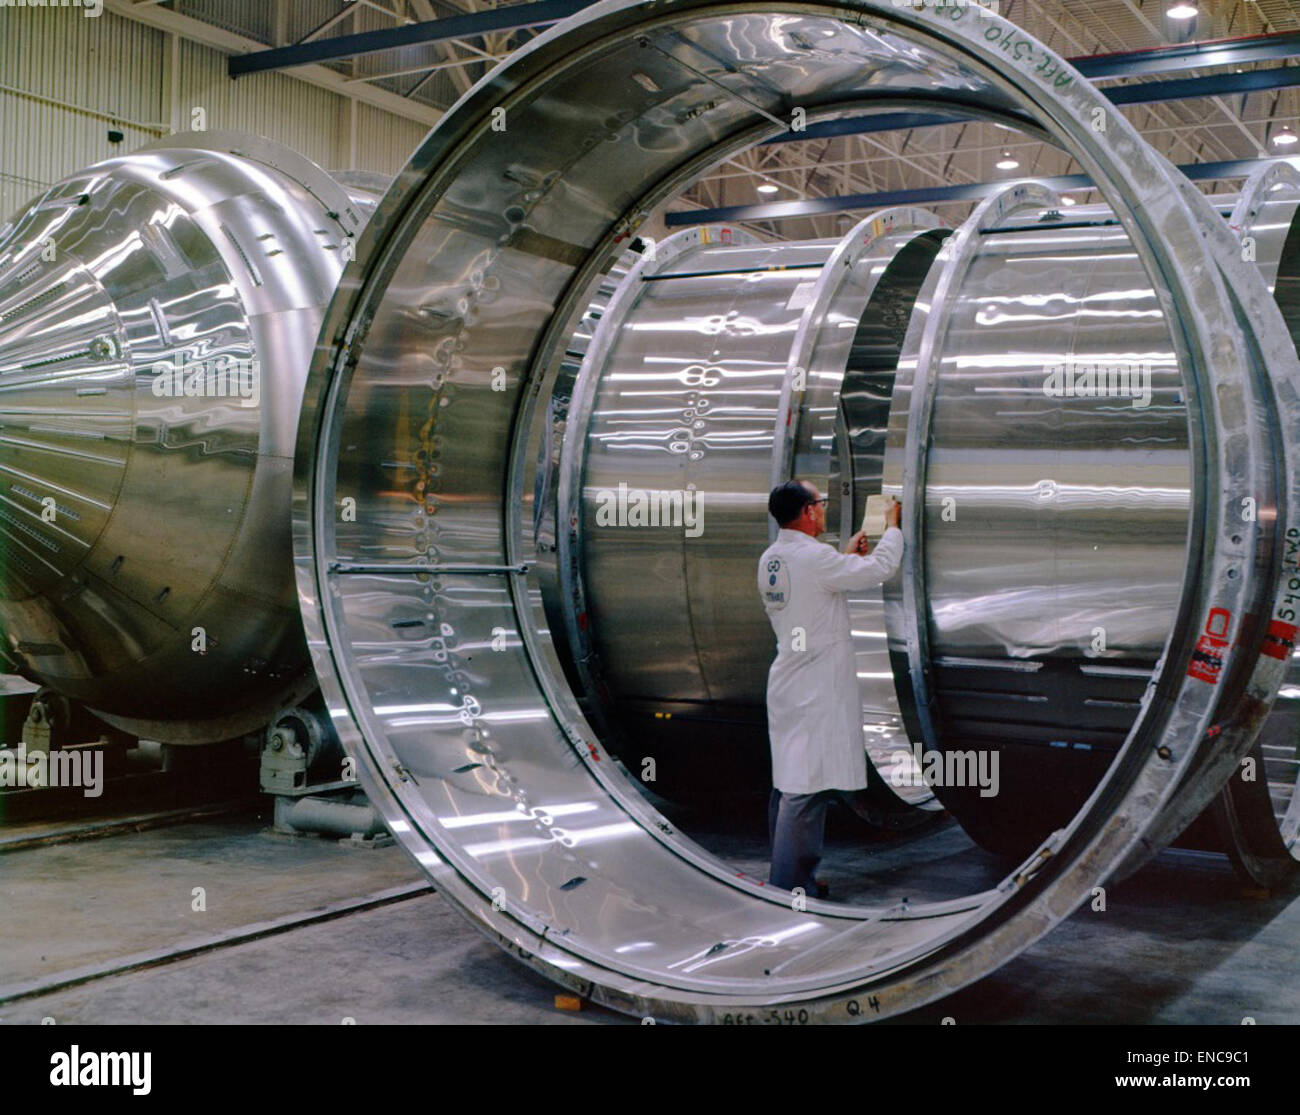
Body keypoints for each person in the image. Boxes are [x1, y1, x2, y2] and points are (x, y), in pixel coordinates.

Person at [757, 480, 904, 898]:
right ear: (807, 512)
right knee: (804, 790)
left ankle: (793, 876)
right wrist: (892, 529)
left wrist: (841, 560)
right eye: (820, 504)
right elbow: (879, 571)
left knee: (790, 783)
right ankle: (789, 887)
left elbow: (812, 589)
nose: (823, 511)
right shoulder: (815, 558)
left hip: (790, 681)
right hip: (814, 686)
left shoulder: (774, 558)